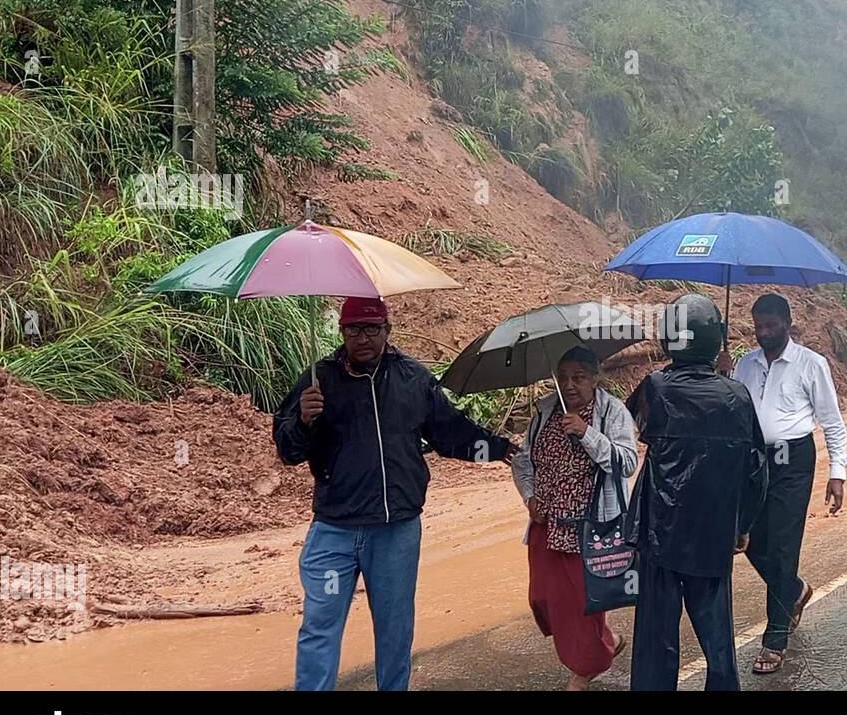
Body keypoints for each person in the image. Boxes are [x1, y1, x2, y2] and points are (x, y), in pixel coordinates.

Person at [273, 296, 517, 691]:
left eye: (372, 329)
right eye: (354, 330)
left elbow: (449, 431)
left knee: (394, 628)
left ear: (388, 330)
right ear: (342, 333)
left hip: (396, 531)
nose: (363, 338)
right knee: (320, 625)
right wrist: (302, 420)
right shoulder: (318, 380)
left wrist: (498, 448)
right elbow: (288, 451)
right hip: (335, 530)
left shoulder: (413, 378)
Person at [625, 293, 768, 691]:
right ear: (716, 338)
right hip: (713, 534)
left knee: (657, 643)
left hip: (661, 534)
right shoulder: (736, 396)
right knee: (718, 642)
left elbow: (636, 425)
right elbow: (757, 470)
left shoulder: (656, 387)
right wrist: (742, 525)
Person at [731, 293, 847, 675]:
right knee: (748, 539)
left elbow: (831, 420)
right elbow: (733, 412)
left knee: (782, 546)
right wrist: (722, 378)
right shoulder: (743, 365)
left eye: (771, 325)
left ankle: (775, 638)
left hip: (793, 461)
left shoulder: (810, 364)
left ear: (788, 323)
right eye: (758, 326)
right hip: (754, 460)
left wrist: (838, 472)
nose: (764, 333)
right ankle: (795, 590)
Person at [511, 346, 638, 690]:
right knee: (542, 598)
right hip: (546, 523)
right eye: (563, 377)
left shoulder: (612, 412)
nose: (569, 385)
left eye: (578, 377)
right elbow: (523, 461)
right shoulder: (546, 411)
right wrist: (529, 497)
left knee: (581, 602)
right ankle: (608, 639)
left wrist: (586, 433)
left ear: (595, 377)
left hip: (589, 526)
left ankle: (588, 666)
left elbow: (626, 462)